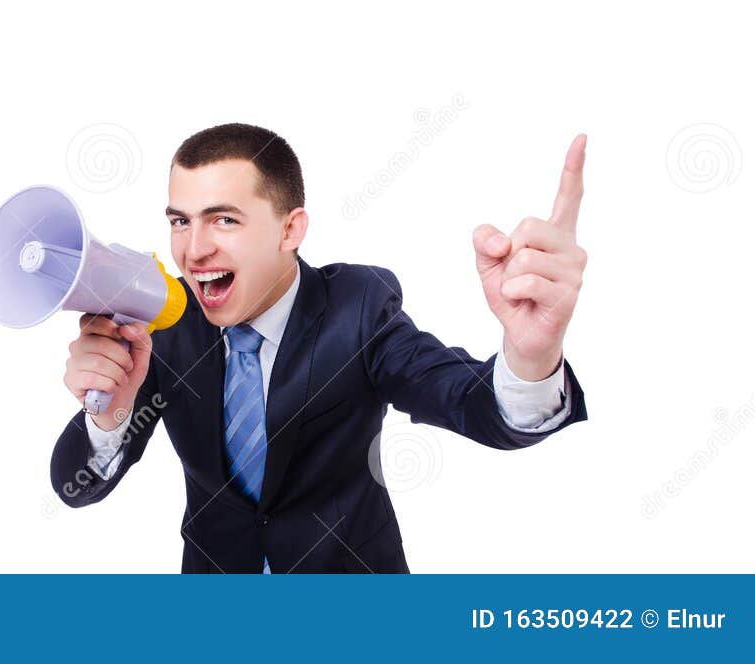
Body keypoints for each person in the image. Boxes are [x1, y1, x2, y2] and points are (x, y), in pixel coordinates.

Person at [53, 123, 588, 572]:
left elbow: (472, 404)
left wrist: (532, 354)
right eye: (180, 221)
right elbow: (77, 489)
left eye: (223, 219)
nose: (194, 250)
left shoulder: (357, 308)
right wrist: (110, 413)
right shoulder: (164, 326)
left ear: (291, 230)